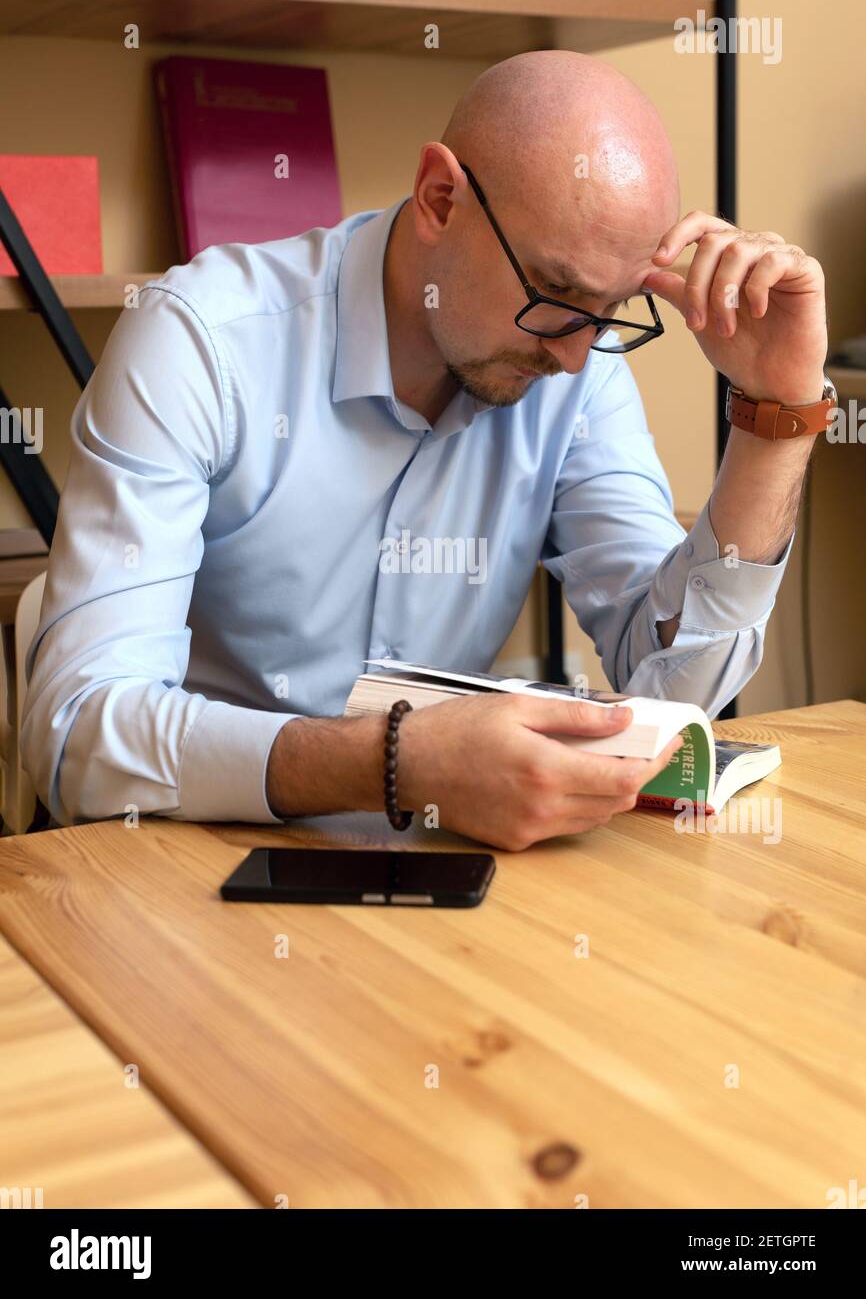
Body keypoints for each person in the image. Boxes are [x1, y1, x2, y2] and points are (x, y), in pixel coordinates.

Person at [21, 50, 831, 850]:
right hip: (187, 866)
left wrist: (775, 415)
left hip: (447, 882)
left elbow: (670, 687)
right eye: (557, 292)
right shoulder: (202, 343)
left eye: (611, 309)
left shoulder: (573, 366)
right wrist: (397, 763)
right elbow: (76, 738)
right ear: (440, 197)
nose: (577, 354)